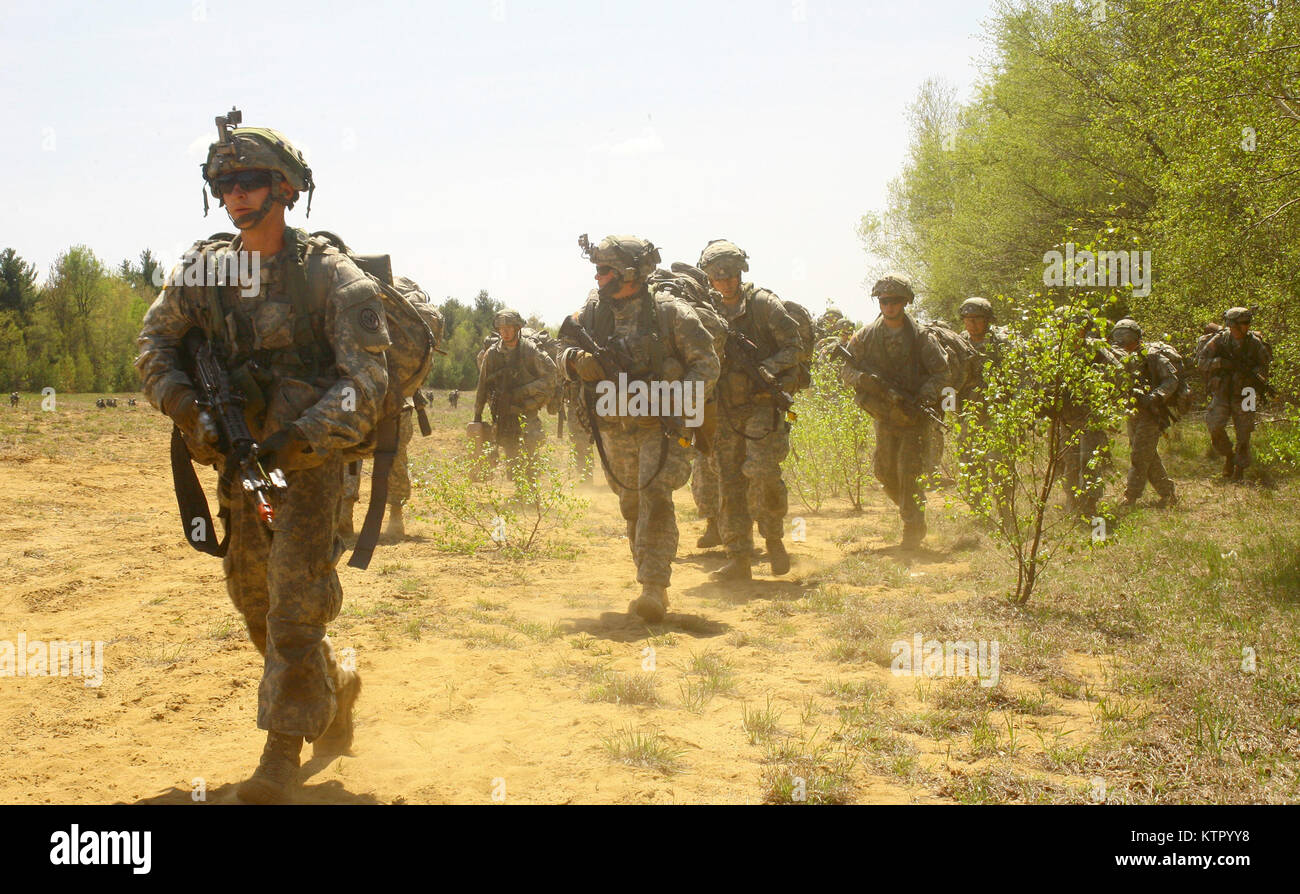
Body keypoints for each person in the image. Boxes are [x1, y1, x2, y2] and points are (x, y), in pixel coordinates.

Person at [136, 109, 383, 803]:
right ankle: (334, 689)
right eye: (224, 183)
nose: (235, 194)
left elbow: (367, 381)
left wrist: (299, 435)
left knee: (294, 603)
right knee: (252, 597)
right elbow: (152, 345)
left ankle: (281, 750)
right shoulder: (204, 271)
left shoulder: (331, 280)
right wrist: (189, 406)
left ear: (286, 190)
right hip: (239, 462)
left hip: (312, 467)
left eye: (248, 181)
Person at [558, 234, 719, 621]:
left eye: (604, 270)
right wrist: (577, 360)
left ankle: (654, 586)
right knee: (630, 503)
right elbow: (558, 352)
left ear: (628, 272)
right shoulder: (594, 312)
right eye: (596, 269)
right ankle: (647, 574)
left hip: (661, 426)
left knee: (655, 494)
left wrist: (668, 400)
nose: (597, 277)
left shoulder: (670, 313)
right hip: (614, 425)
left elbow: (707, 367)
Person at [697, 239, 801, 579]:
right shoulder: (705, 312)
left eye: (730, 276)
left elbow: (794, 347)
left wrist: (767, 369)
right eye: (717, 277)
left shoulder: (763, 305)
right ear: (709, 277)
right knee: (727, 480)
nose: (725, 282)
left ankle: (773, 541)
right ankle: (738, 556)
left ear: (741, 273)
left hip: (760, 405)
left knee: (762, 474)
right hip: (724, 409)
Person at [840, 275, 950, 548]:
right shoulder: (865, 336)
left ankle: (912, 526)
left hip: (914, 416)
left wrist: (924, 395)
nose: (889, 306)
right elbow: (846, 370)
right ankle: (912, 511)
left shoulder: (922, 337)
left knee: (907, 470)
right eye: (884, 301)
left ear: (906, 302)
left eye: (895, 301)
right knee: (884, 472)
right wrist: (866, 381)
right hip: (884, 414)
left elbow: (941, 372)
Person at [472, 309, 556, 466]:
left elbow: (550, 378)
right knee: (512, 462)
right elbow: (482, 386)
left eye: (509, 328)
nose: (505, 332)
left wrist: (522, 392)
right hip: (504, 415)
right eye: (501, 329)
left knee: (530, 456)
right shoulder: (491, 354)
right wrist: (477, 415)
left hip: (527, 412)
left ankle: (531, 485)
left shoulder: (529, 350)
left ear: (517, 328)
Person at [1200, 307, 1272, 480]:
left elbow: (1266, 365)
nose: (1247, 327)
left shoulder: (1254, 343)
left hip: (1247, 392)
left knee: (1244, 432)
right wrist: (1221, 363)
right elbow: (1202, 362)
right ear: (1232, 325)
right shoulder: (1219, 341)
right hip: (1223, 390)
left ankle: (1240, 468)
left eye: (1248, 323)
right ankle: (1229, 456)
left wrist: (1253, 373)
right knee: (1214, 424)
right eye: (1243, 323)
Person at [1111, 319, 1177, 506]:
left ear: (1137, 338)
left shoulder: (1153, 357)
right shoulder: (1118, 358)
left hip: (1152, 413)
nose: (1123, 341)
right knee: (1147, 454)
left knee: (1139, 454)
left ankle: (1131, 495)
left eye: (1127, 336)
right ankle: (1168, 493)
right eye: (1119, 336)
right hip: (1133, 413)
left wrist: (1155, 396)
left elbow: (1171, 381)